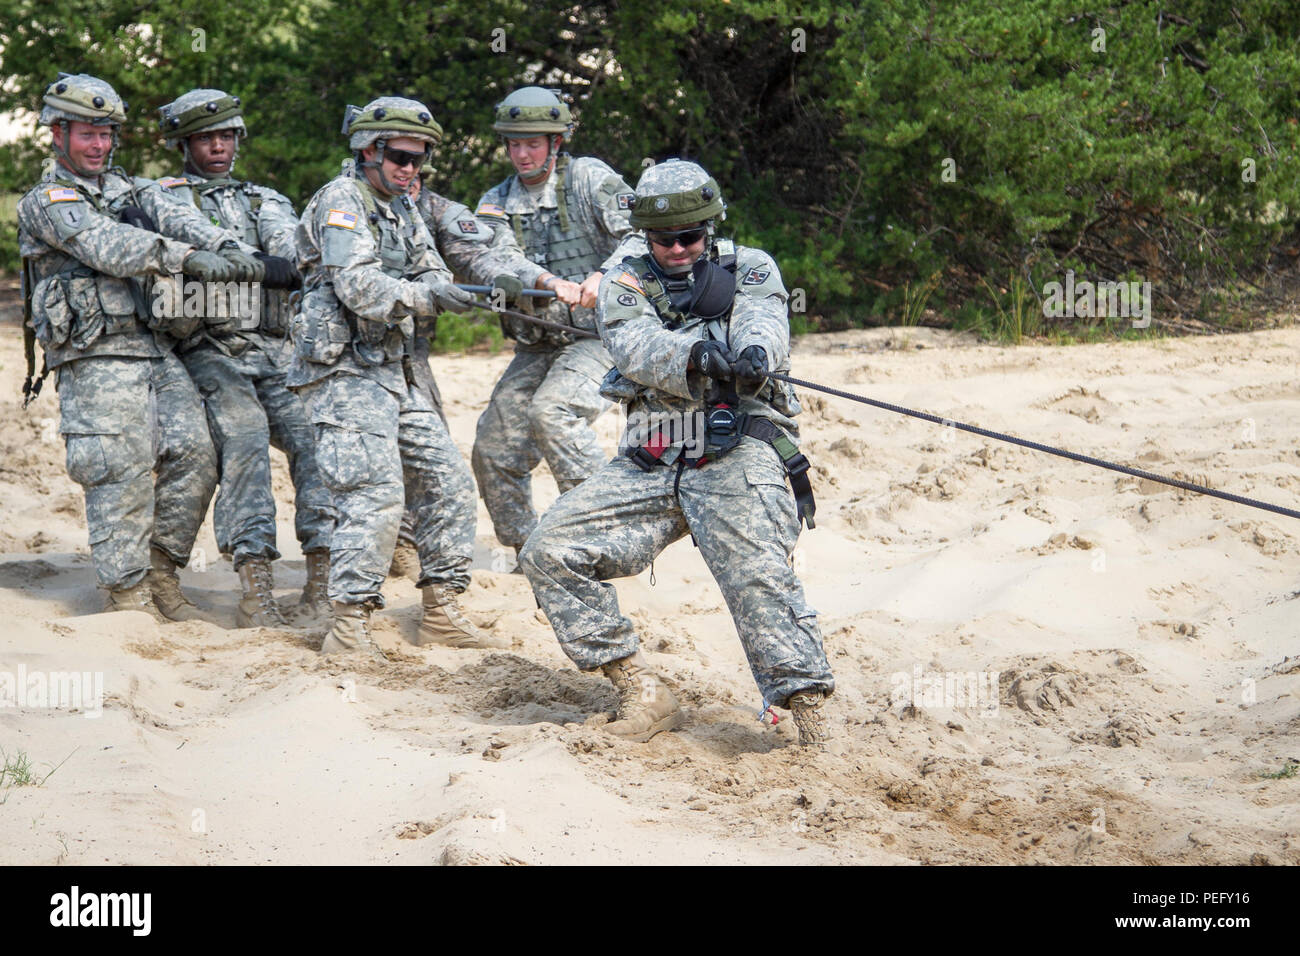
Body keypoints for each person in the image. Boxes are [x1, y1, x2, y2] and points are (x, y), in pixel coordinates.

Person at [519, 159, 834, 747]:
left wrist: (754, 358)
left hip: (739, 441)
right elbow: (635, 345)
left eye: (690, 236)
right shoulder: (623, 279)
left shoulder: (751, 267)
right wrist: (694, 357)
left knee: (757, 573)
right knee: (548, 548)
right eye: (664, 239)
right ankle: (637, 684)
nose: (678, 248)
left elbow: (766, 323)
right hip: (654, 449)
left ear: (709, 228)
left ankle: (807, 713)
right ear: (646, 236)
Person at [17, 72, 261, 620]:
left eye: (107, 134)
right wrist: (185, 259)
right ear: (57, 134)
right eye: (87, 134)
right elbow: (109, 245)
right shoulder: (49, 200)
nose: (99, 145)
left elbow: (181, 216)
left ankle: (161, 572)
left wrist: (226, 246)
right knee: (119, 470)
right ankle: (126, 597)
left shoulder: (133, 189)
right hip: (95, 354)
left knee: (198, 455)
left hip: (153, 349)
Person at [290, 96, 505, 656]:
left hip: (394, 369)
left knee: (448, 481)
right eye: (401, 157)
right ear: (369, 149)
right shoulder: (341, 202)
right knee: (375, 494)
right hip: (342, 373)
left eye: (419, 159)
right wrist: (426, 294)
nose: (411, 169)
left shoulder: (404, 205)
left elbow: (429, 263)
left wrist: (446, 287)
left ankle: (441, 607)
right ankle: (349, 622)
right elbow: (358, 287)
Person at [155, 88, 332, 627]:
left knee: (313, 436)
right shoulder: (165, 197)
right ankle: (255, 579)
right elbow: (184, 261)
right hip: (206, 347)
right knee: (246, 435)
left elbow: (295, 253)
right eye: (206, 137)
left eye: (226, 135)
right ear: (184, 144)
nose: (218, 146)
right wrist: (258, 266)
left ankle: (322, 574)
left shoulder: (265, 199)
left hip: (274, 347)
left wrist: (267, 264)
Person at [472, 87, 636, 567]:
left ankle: (602, 533)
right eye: (514, 144)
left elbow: (642, 233)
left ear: (556, 142)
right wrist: (547, 281)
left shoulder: (589, 178)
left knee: (553, 412)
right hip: (538, 345)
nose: (522, 154)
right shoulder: (496, 200)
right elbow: (495, 256)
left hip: (600, 339)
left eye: (533, 143)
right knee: (492, 448)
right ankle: (531, 551)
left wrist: (603, 275)